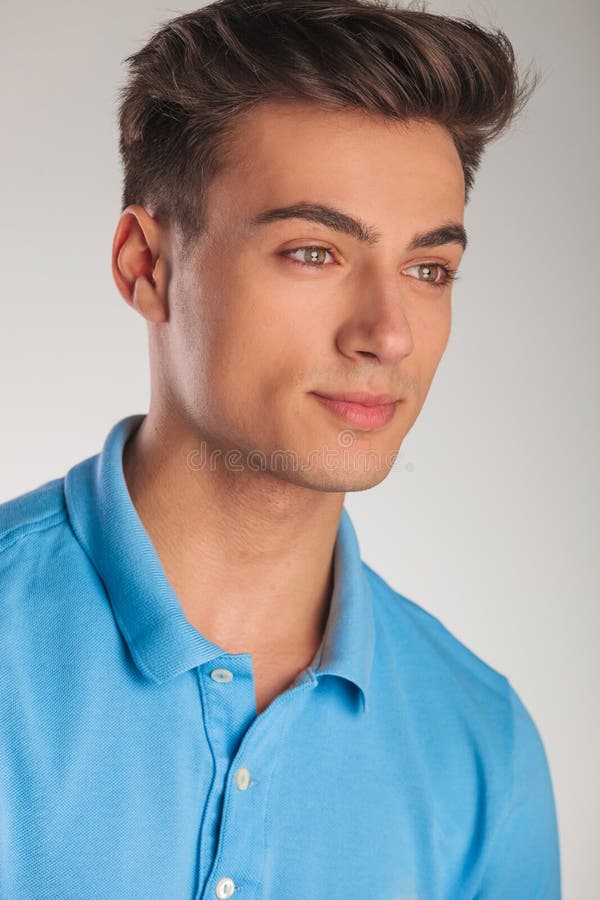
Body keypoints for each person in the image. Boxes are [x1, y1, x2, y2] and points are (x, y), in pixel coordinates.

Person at [0, 0, 561, 897]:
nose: (389, 335)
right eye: (314, 252)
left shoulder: (482, 745)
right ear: (146, 265)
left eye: (428, 270)